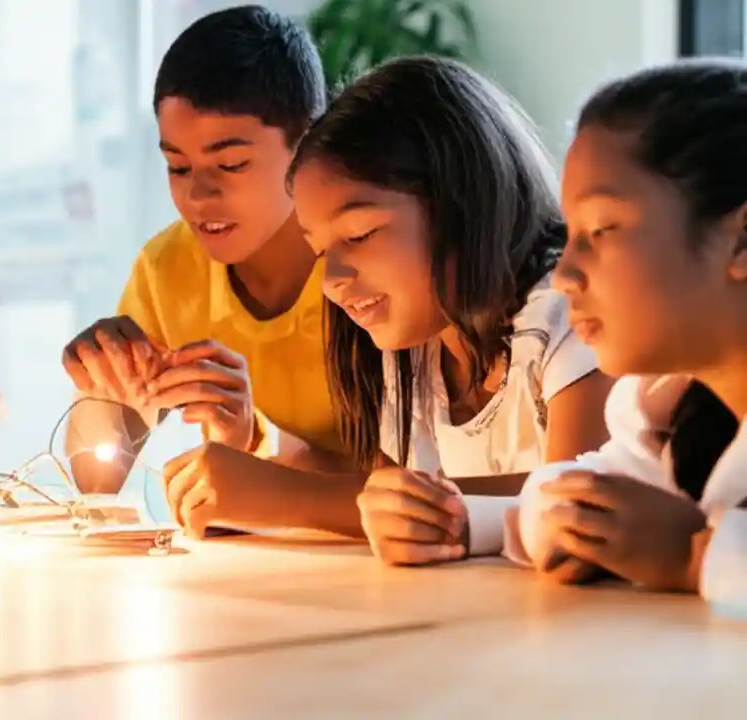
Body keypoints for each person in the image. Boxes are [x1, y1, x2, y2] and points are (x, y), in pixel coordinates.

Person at [282, 56, 613, 563]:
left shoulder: (570, 311)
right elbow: (393, 508)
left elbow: (577, 508)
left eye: (359, 234)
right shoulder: (410, 351)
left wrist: (282, 498)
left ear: (461, 203)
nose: (332, 281)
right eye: (321, 249)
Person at [62, 6, 347, 534]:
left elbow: (409, 481)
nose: (198, 195)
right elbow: (95, 477)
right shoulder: (168, 267)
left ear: (308, 143)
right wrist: (102, 386)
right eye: (177, 166)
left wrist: (252, 439)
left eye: (231, 164)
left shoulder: (360, 264)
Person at [511, 60, 747, 598]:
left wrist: (692, 556)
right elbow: (561, 491)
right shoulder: (673, 411)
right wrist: (579, 526)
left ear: (742, 239)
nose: (564, 275)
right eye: (569, 235)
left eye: (601, 229)